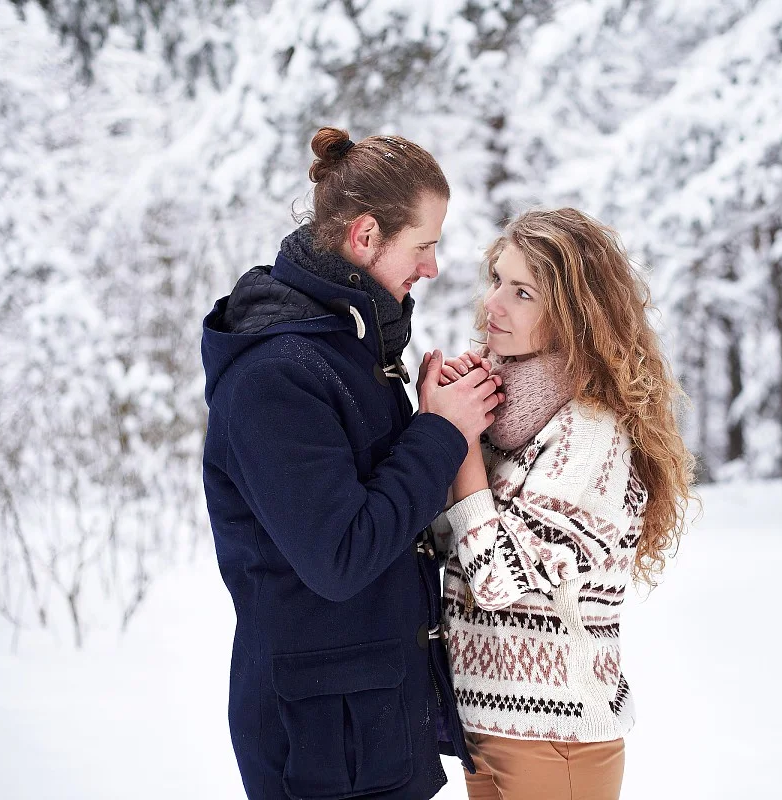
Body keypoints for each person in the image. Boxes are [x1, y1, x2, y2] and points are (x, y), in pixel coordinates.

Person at [200, 126, 502, 800]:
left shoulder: (346, 347)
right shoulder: (275, 374)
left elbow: (383, 510)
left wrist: (432, 423)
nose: (431, 267)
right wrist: (438, 433)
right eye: (423, 245)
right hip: (321, 748)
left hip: (368, 726)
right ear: (366, 237)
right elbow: (339, 553)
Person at [433, 208, 694, 800]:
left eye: (521, 292)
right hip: (487, 729)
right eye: (496, 280)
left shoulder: (590, 436)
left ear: (575, 315)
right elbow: (449, 549)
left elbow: (497, 578)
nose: (493, 303)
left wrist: (459, 443)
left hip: (558, 739)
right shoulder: (511, 422)